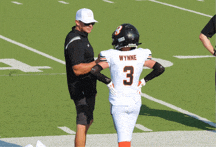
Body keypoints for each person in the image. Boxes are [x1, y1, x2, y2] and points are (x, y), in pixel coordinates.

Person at [90, 23, 165, 147]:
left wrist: (108, 82)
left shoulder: (111, 55)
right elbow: (160, 68)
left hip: (119, 102)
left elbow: (94, 71)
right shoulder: (141, 54)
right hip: (135, 101)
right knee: (127, 138)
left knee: (123, 141)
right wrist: (143, 81)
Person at [64, 8, 99, 147]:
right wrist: (98, 62)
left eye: (92, 23)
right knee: (83, 121)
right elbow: (77, 69)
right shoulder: (76, 41)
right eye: (86, 23)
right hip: (80, 87)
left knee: (88, 120)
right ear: (77, 22)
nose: (90, 26)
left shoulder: (82, 37)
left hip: (87, 87)